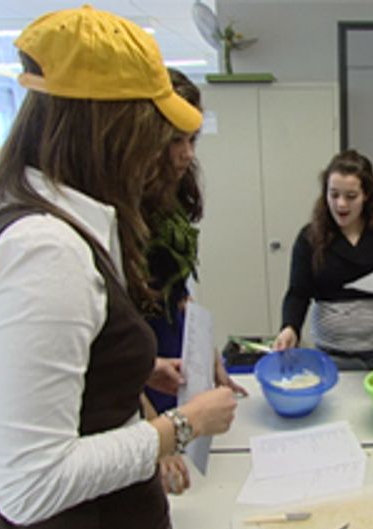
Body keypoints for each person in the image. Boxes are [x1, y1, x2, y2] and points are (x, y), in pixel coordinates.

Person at [0, 6, 237, 529]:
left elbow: (72, 383)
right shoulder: (45, 248)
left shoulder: (52, 215)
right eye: (153, 132)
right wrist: (181, 426)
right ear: (112, 126)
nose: (165, 155)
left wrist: (130, 370)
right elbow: (29, 482)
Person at [140, 68, 248, 495]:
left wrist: (208, 354)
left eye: (193, 140)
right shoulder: (122, 211)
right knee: (167, 477)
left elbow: (180, 293)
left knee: (205, 472)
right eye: (175, 141)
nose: (187, 154)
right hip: (138, 365)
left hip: (172, 351)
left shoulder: (174, 195)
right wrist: (153, 434)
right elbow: (112, 350)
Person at [273, 149, 373, 370]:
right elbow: (298, 293)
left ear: (366, 195)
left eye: (351, 196)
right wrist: (290, 327)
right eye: (334, 194)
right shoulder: (310, 238)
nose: (340, 204)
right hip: (331, 355)